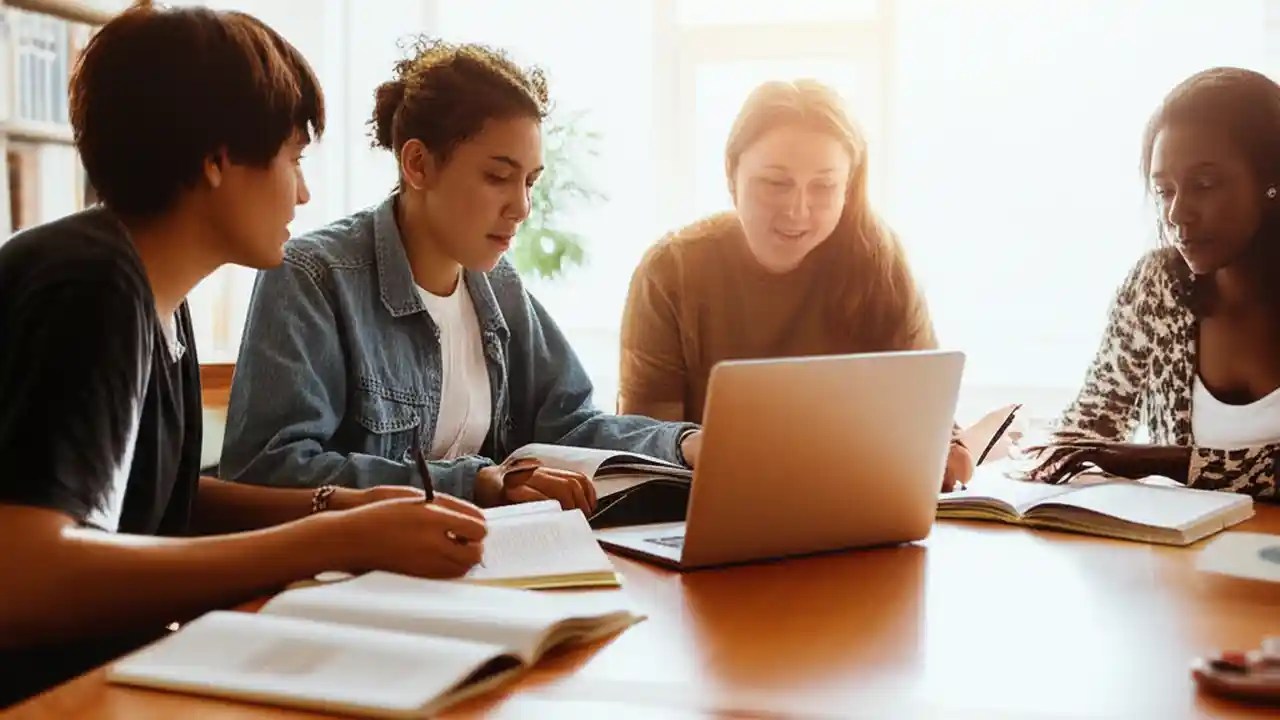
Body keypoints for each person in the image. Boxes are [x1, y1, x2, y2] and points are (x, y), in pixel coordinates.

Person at [0, 8, 488, 706]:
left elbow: (159, 501)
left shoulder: (154, 291)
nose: (303, 192)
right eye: (293, 159)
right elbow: (22, 575)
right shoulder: (90, 284)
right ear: (217, 159)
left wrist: (335, 507)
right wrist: (334, 541)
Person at [220, 38, 704, 511]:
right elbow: (269, 472)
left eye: (530, 181)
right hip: (352, 575)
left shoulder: (497, 286)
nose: (521, 206)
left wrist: (686, 445)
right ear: (417, 164)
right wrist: (474, 483)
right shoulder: (314, 278)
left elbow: (571, 423)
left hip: (472, 567)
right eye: (498, 176)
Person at [618, 79, 972, 491]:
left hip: (857, 515)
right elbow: (646, 455)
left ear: (848, 188)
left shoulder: (882, 266)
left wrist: (949, 452)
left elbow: (931, 419)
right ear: (732, 176)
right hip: (707, 516)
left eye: (824, 186)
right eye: (774, 183)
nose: (797, 210)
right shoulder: (671, 273)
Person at [1026, 67, 1280, 500]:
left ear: (1271, 181)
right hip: (1183, 563)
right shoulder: (1157, 286)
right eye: (1164, 191)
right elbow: (1091, 425)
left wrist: (1159, 462)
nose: (1177, 214)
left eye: (1203, 184)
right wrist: (1018, 461)